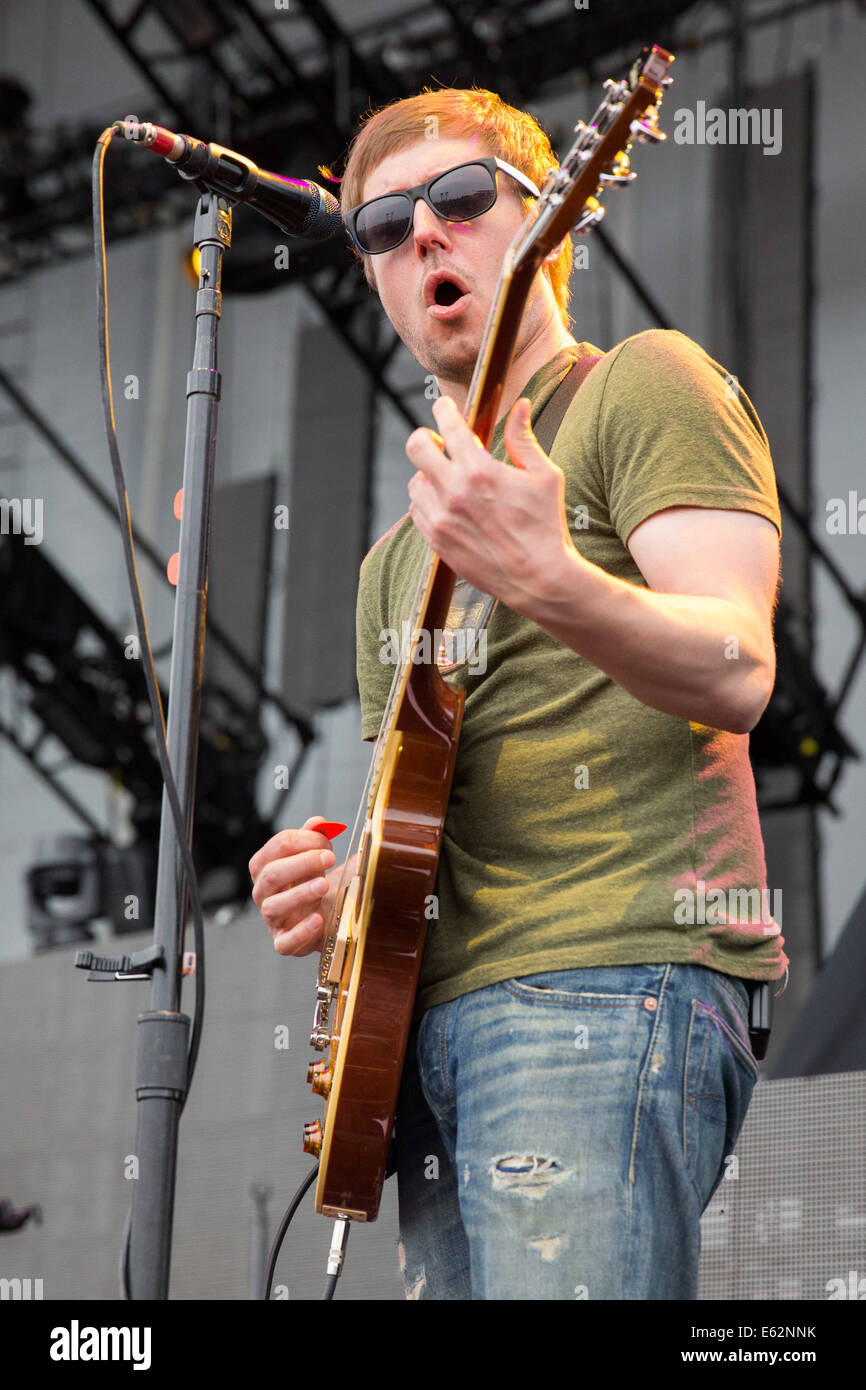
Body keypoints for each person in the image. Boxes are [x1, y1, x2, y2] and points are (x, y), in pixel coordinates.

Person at [249, 87, 788, 1300]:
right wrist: (341, 881)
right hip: (427, 1038)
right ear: (375, 279)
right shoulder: (393, 558)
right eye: (383, 226)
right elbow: (425, 808)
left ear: (549, 216)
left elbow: (737, 665)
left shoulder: (639, 385)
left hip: (604, 976)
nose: (423, 235)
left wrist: (547, 577)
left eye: (455, 199)